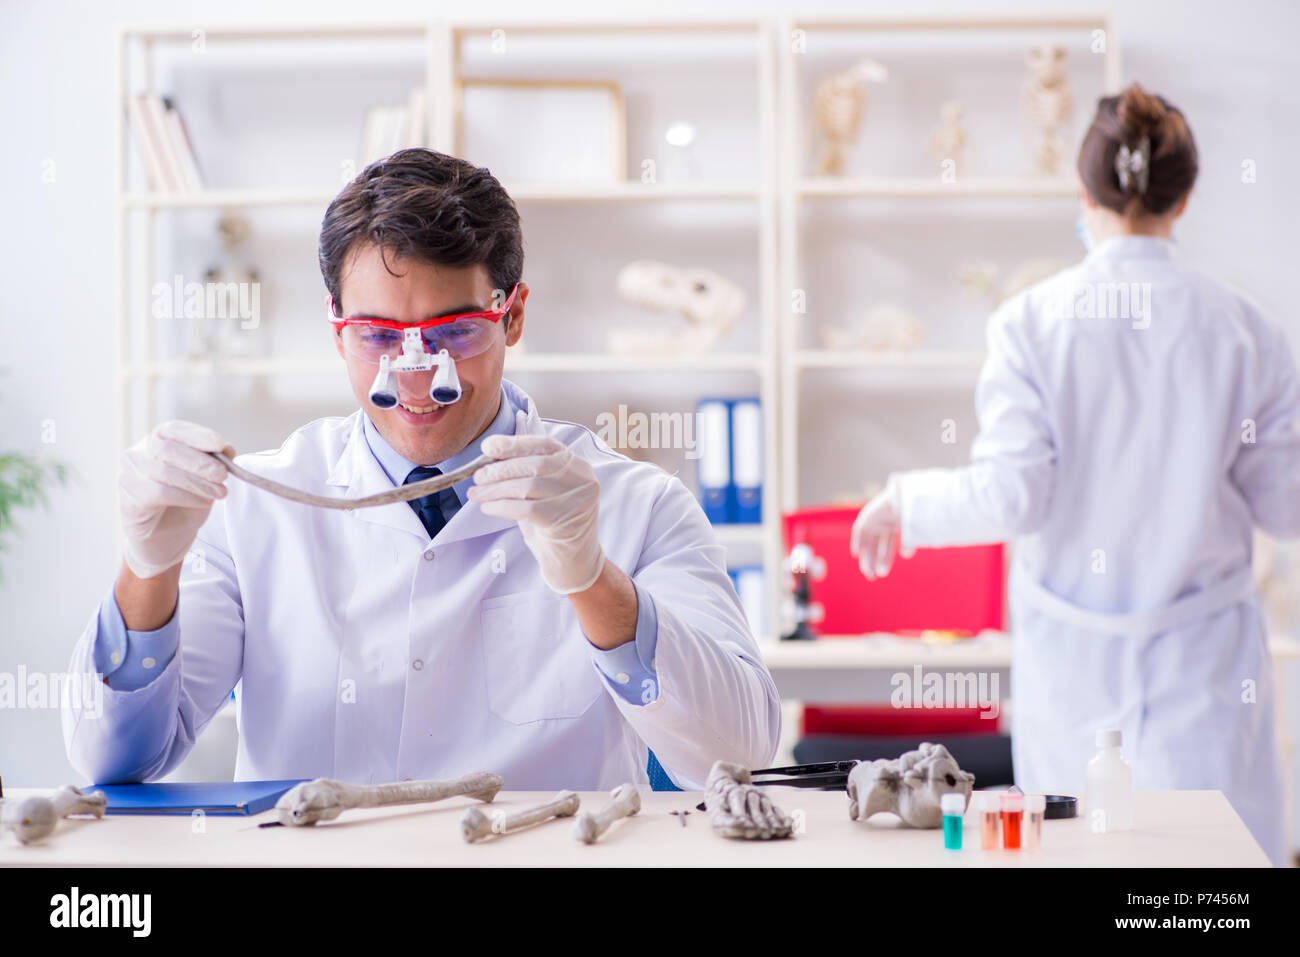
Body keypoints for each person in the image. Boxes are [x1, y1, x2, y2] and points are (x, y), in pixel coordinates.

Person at [63, 148, 780, 790]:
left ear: (514, 317)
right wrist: (146, 573)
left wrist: (594, 581)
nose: (414, 378)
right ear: (335, 326)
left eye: (455, 332)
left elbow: (738, 752)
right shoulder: (257, 507)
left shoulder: (637, 504)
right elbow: (113, 764)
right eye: (376, 336)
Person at [850, 83, 1300, 865]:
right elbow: (1286, 504)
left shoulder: (1031, 322)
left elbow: (1015, 493)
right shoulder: (1246, 328)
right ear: (1185, 198)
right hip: (1207, 673)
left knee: (1082, 862)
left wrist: (903, 502)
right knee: (1211, 889)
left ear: (1084, 191)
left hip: (1076, 672)